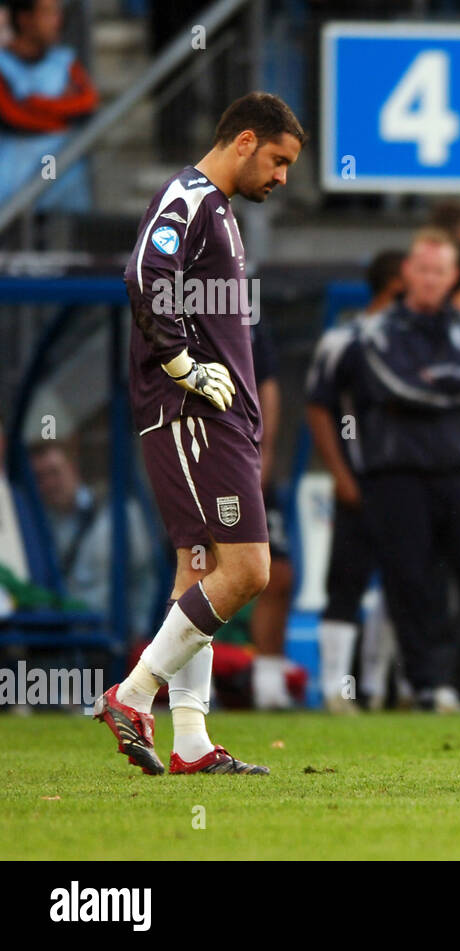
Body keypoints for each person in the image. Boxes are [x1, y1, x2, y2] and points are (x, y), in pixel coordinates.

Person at [97, 92, 304, 775]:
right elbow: (142, 274)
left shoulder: (218, 212)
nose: (281, 178)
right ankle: (132, 693)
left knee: (200, 572)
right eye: (278, 161)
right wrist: (183, 363)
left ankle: (190, 741)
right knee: (248, 570)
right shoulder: (187, 197)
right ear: (244, 140)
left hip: (219, 418)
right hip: (193, 417)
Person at [313, 229, 460, 712]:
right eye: (422, 269)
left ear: (452, 278)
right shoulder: (371, 334)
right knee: (412, 584)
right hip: (396, 474)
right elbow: (397, 388)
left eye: (439, 271)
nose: (429, 279)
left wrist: (442, 381)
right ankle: (428, 685)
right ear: (407, 273)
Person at [306, 249, 405, 714]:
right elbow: (318, 406)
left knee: (403, 585)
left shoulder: (416, 340)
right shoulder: (344, 340)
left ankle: (379, 688)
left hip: (407, 485)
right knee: (346, 583)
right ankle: (333, 691)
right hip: (361, 483)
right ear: (395, 284)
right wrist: (340, 473)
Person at [29, 442, 155, 635]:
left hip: (110, 642)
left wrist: (139, 634)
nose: (50, 484)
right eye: (40, 478)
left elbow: (145, 576)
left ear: (72, 468)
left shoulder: (118, 514)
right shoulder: (36, 528)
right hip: (60, 642)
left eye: (54, 472)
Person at [0, 0, 97, 211]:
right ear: (25, 19)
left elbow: (87, 105)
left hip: (66, 189)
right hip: (12, 189)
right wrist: (63, 110)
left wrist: (36, 104)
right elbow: (12, 116)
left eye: (57, 13)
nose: (57, 21)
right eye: (48, 14)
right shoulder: (3, 63)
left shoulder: (65, 61)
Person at [248, 321, 296, 709]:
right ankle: (192, 686)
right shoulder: (170, 314)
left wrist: (264, 454)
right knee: (198, 570)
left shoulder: (248, 323)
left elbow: (267, 385)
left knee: (277, 571)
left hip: (246, 461)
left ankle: (268, 683)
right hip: (198, 458)